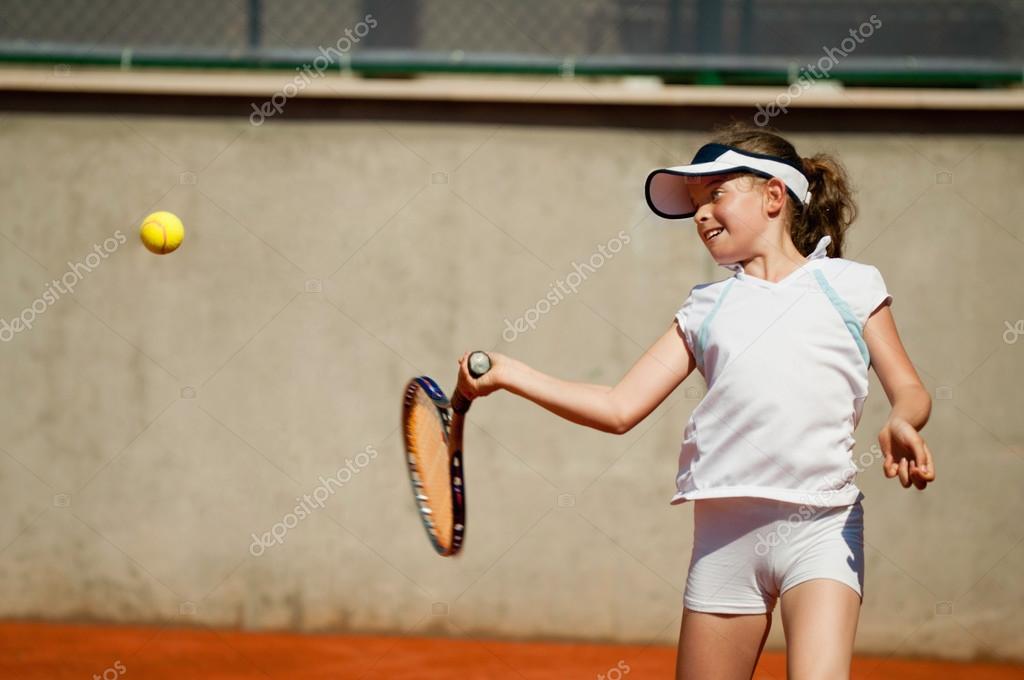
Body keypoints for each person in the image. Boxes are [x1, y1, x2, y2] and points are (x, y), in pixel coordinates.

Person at [455, 122, 936, 680]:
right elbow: (618, 407)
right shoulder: (704, 307)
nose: (701, 214)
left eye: (715, 194)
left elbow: (910, 387)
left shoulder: (850, 284)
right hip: (723, 538)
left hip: (822, 527)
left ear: (775, 196)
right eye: (693, 205)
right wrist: (511, 372)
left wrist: (903, 420)